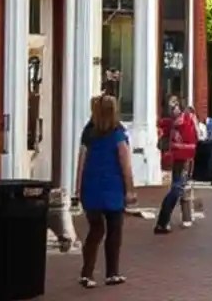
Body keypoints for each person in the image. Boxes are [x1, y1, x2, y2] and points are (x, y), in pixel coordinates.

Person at [76, 95, 136, 287]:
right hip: (113, 187)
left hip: (91, 186)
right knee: (114, 229)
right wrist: (130, 190)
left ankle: (87, 273)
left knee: (95, 230)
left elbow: (81, 162)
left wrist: (78, 189)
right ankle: (112, 273)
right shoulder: (118, 132)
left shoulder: (89, 132)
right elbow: (125, 163)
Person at [154, 97, 197, 233]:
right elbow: (162, 138)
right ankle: (164, 221)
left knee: (178, 189)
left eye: (175, 105)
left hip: (184, 159)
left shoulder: (187, 121)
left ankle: (166, 221)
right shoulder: (171, 123)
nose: (172, 109)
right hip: (177, 160)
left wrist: (174, 147)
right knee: (177, 188)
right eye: (170, 106)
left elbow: (192, 144)